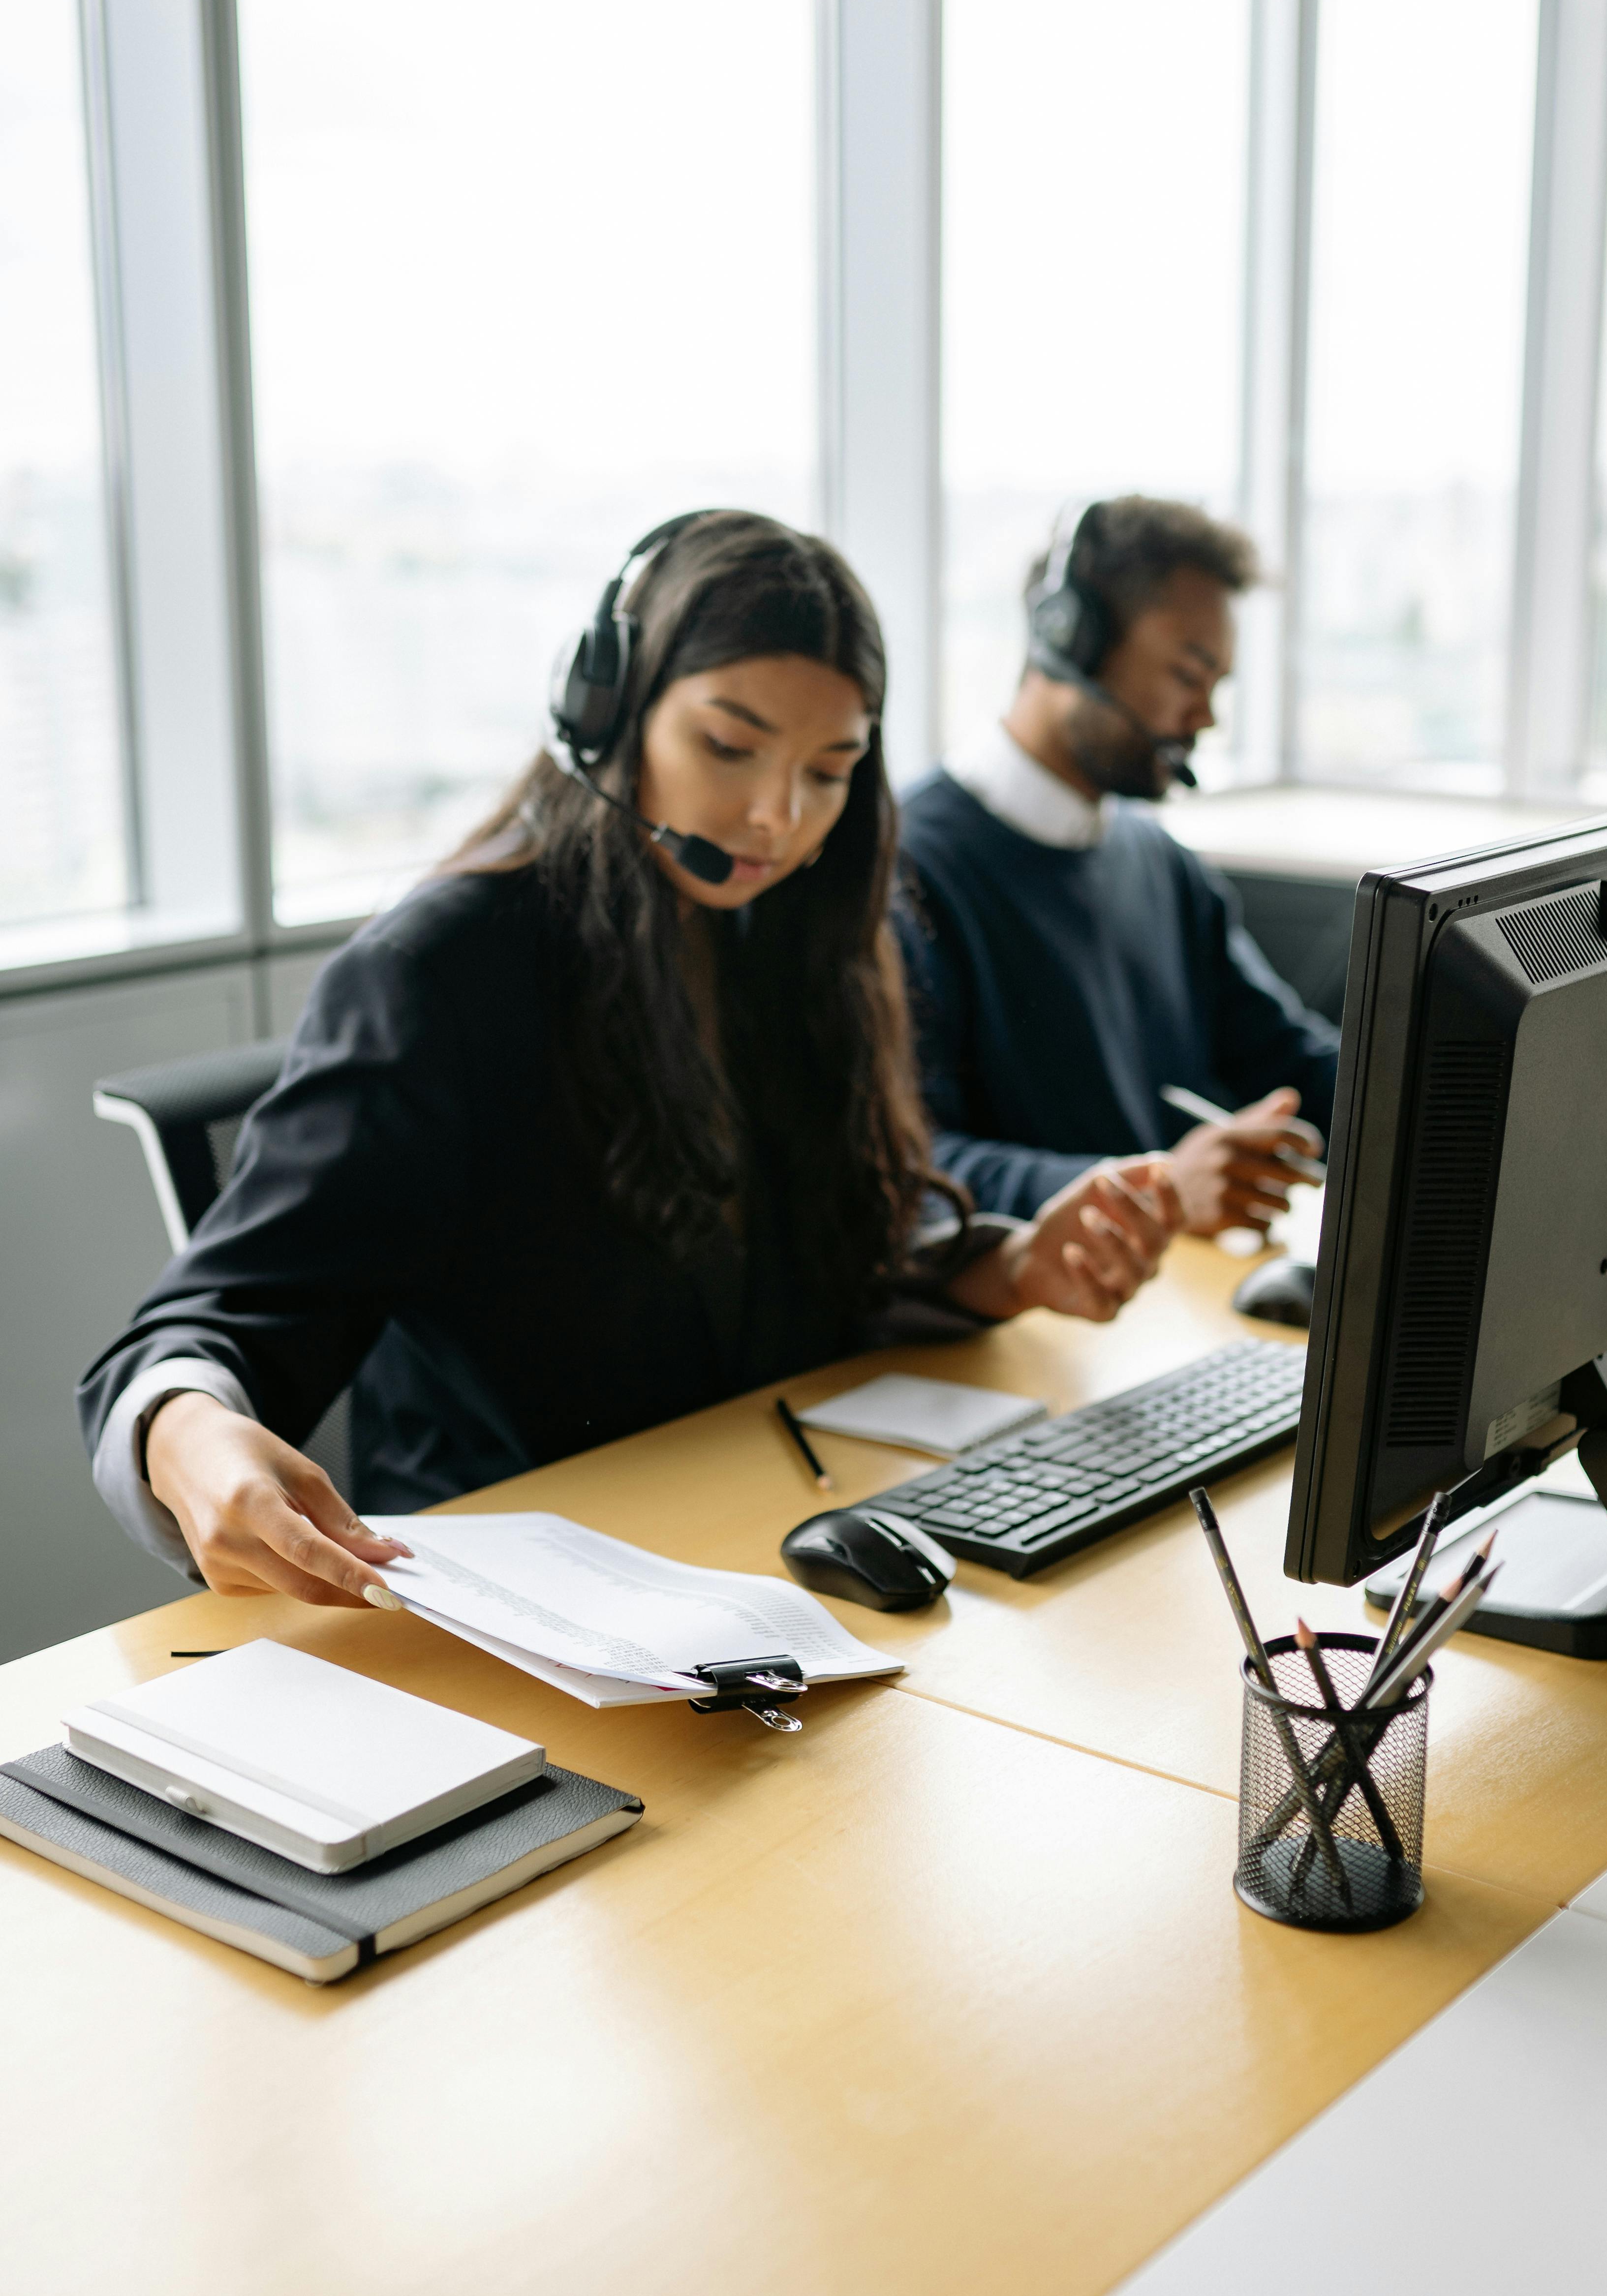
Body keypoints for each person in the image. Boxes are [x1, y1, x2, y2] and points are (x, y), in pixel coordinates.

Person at [79, 511, 1176, 1613]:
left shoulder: (798, 939)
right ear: (610, 714)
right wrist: (186, 1432)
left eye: (829, 772)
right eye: (729, 746)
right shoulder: (442, 970)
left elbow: (805, 1269)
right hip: (511, 1600)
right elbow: (207, 1324)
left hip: (742, 1562)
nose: (777, 819)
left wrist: (1013, 1265)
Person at [894, 495, 1339, 1232]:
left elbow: (1284, 1055)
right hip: (1026, 1320)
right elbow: (913, 1164)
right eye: (1187, 675)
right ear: (1069, 639)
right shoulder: (909, 871)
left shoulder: (1157, 861)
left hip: (1165, 1299)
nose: (1205, 718)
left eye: (1215, 685)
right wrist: (1159, 1188)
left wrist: (1459, 1088)